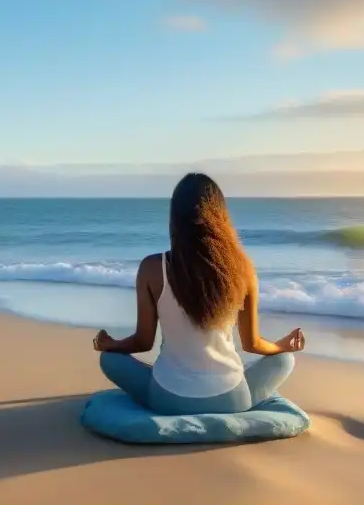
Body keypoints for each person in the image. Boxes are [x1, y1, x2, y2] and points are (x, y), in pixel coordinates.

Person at [93, 173, 305, 416]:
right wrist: (282, 345)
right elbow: (252, 344)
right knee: (284, 359)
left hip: (167, 399)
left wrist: (112, 344)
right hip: (232, 399)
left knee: (110, 359)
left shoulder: (152, 268)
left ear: (175, 218)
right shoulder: (242, 269)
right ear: (220, 216)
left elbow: (143, 342)